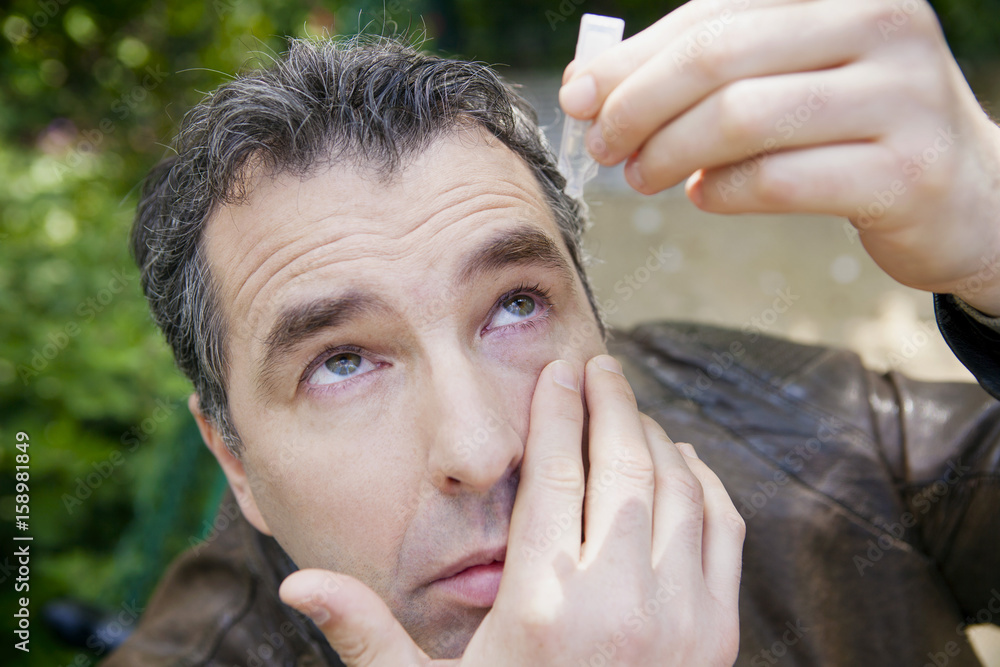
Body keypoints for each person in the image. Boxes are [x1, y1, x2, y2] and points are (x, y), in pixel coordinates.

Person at [105, 0, 1000, 665]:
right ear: (232, 459)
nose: (482, 448)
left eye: (516, 305)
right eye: (342, 361)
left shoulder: (813, 430)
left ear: (595, 316)